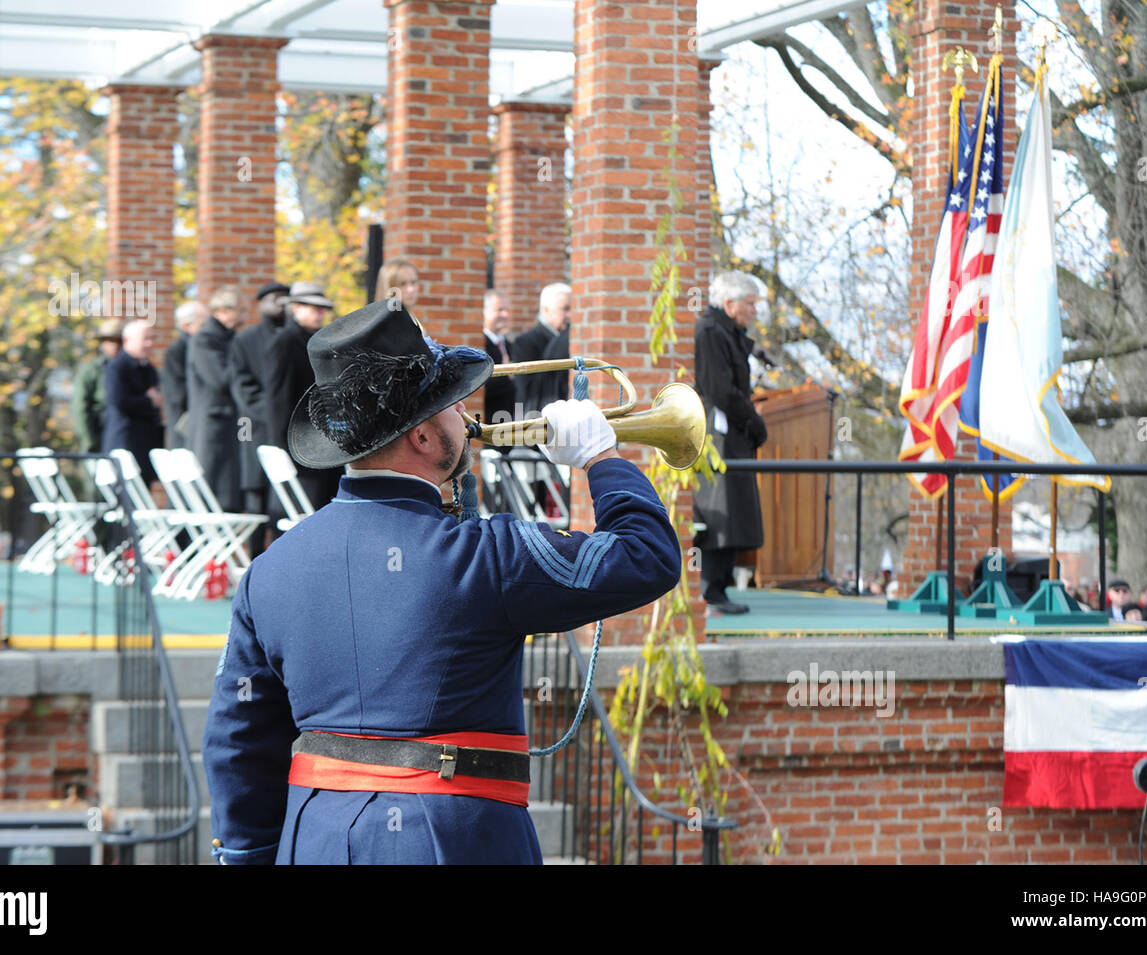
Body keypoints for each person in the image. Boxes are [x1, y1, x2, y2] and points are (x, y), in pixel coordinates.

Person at [202, 299, 681, 865]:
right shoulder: (489, 555)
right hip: (453, 840)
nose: (469, 419)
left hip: (315, 839)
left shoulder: (271, 568)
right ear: (425, 440)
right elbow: (647, 555)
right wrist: (603, 458)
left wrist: (251, 854)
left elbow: (237, 737)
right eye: (454, 406)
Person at [692, 271, 768, 615]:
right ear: (729, 303)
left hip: (733, 435)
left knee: (735, 512)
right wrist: (753, 421)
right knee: (720, 512)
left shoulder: (730, 333)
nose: (754, 311)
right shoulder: (710, 332)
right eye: (750, 304)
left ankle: (719, 588)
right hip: (717, 436)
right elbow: (720, 389)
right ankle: (710, 590)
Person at [265, 281, 340, 513]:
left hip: (324, 442)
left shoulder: (322, 342)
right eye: (312, 307)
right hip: (299, 444)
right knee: (302, 512)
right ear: (295, 308)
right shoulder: (284, 343)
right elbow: (278, 399)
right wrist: (284, 446)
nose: (319, 313)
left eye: (322, 308)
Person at [231, 281, 290, 553]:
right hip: (256, 431)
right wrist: (276, 410)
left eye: (285, 298)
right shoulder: (245, 340)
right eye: (274, 298)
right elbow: (243, 388)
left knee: (286, 500)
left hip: (289, 432)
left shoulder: (293, 337)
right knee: (257, 500)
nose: (281, 303)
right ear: (261, 304)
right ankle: (254, 559)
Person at [187, 286, 245, 512]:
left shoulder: (231, 338)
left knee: (231, 484)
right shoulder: (205, 339)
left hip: (236, 424)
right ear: (223, 310)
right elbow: (219, 379)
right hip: (213, 425)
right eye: (239, 310)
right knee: (212, 484)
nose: (242, 316)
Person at [102, 319, 165, 483]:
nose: (149, 344)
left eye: (152, 339)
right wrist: (148, 400)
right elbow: (119, 402)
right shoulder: (117, 367)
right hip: (125, 443)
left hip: (146, 444)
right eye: (145, 339)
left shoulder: (149, 369)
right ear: (127, 340)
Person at [511, 283, 571, 417]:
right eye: (565, 309)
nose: (570, 315)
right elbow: (529, 390)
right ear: (546, 309)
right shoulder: (526, 342)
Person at [71, 319, 122, 452]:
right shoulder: (92, 370)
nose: (115, 346)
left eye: (119, 341)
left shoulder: (130, 369)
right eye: (109, 340)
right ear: (102, 343)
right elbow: (80, 407)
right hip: (99, 435)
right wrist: (89, 441)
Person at [163, 301, 207, 450]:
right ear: (186, 326)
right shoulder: (177, 352)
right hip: (185, 425)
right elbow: (178, 394)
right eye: (203, 325)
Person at [481, 289, 517, 446]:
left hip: (508, 427)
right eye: (499, 310)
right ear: (485, 312)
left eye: (507, 310)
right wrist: (507, 375)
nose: (505, 315)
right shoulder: (480, 345)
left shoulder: (510, 345)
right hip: (488, 426)